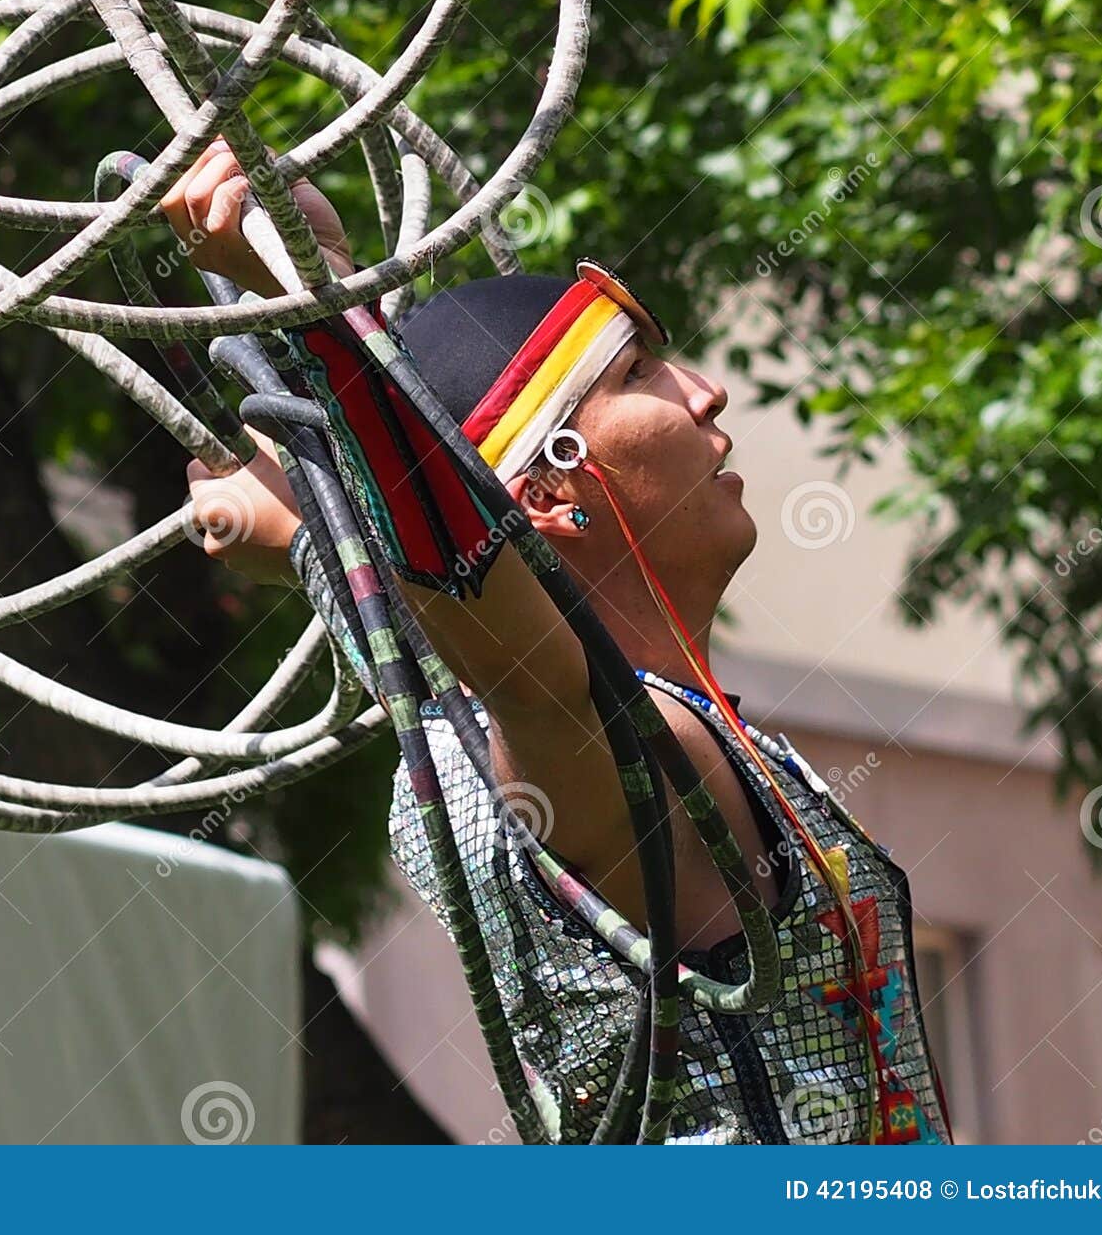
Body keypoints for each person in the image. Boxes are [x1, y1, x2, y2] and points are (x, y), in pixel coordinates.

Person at [165, 140, 952, 1146]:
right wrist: (312, 303)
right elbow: (500, 639)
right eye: (636, 373)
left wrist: (313, 526)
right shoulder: (604, 733)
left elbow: (428, 615)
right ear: (543, 493)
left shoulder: (460, 735)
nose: (702, 390)